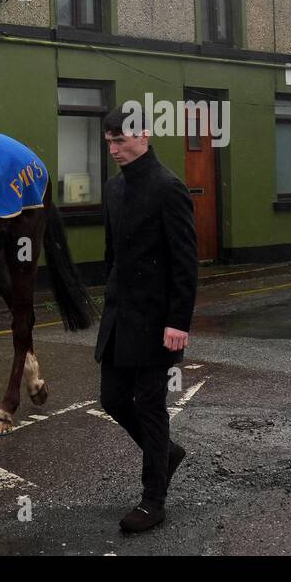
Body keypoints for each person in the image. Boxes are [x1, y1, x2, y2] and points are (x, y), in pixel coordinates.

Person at [95, 106, 197, 534]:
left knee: (150, 406)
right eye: (110, 141)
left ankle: (152, 499)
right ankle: (167, 453)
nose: (115, 148)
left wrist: (178, 321)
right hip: (121, 318)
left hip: (158, 322)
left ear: (144, 136)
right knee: (114, 399)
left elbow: (184, 261)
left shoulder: (168, 187)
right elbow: (113, 255)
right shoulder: (114, 188)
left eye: (121, 140)